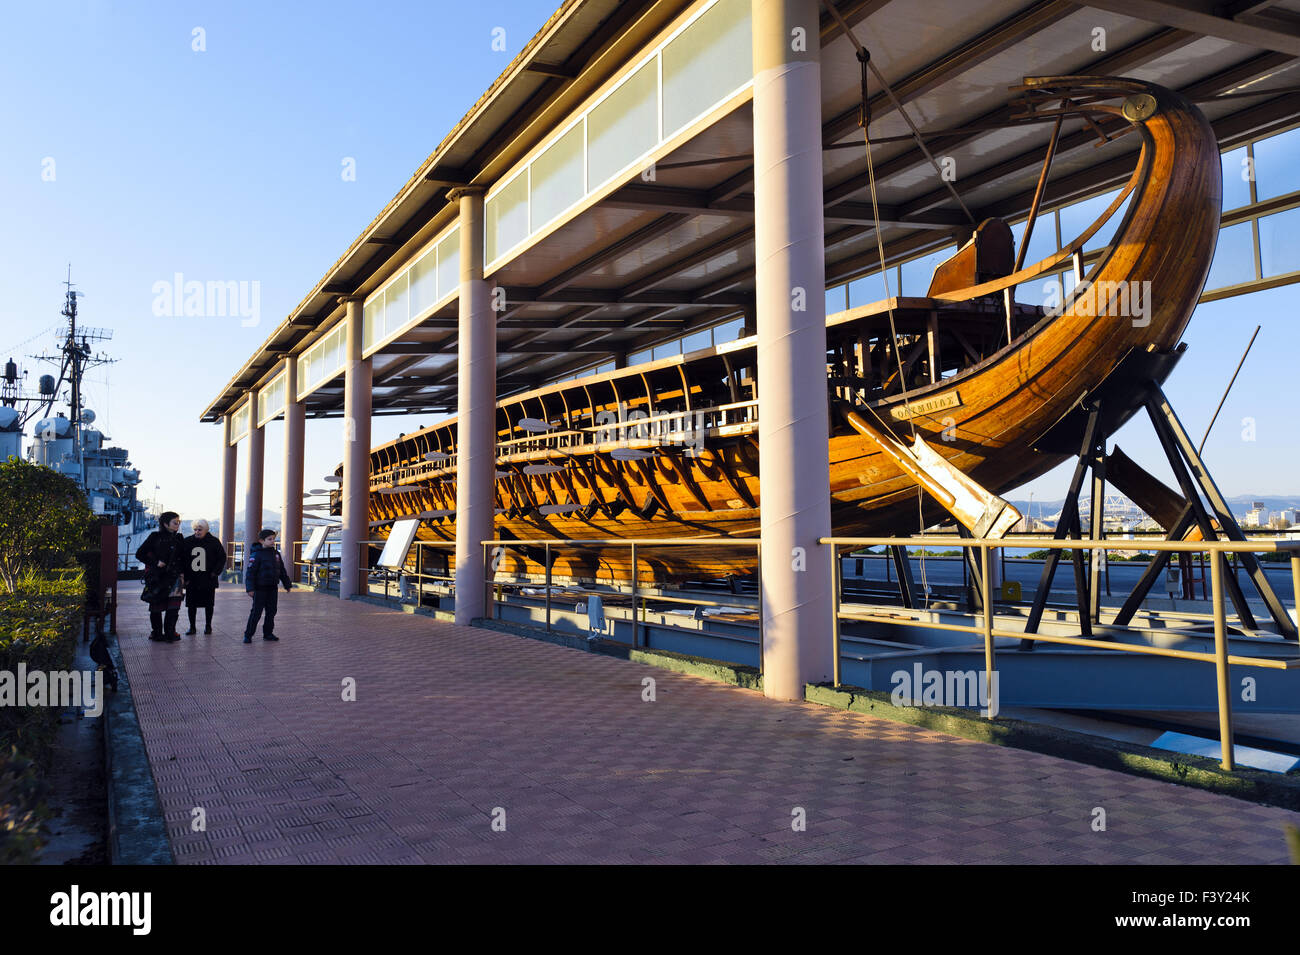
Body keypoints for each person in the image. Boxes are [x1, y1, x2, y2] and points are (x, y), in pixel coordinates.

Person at [136, 512, 186, 642]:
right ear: (165, 524)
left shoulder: (179, 538)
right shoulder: (154, 537)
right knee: (156, 606)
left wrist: (185, 575)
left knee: (174, 606)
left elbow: (185, 558)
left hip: (175, 577)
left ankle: (170, 632)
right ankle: (157, 632)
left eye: (178, 522)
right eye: (175, 522)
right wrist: (156, 562)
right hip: (157, 577)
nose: (177, 524)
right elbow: (140, 554)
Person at [244, 528, 293, 643]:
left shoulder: (276, 554)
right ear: (262, 541)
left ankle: (268, 633)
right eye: (269, 539)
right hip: (259, 589)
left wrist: (287, 584)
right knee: (256, 613)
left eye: (273, 539)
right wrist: (250, 588)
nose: (272, 541)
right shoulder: (256, 555)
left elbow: (281, 570)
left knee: (271, 612)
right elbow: (250, 573)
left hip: (272, 589)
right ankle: (248, 634)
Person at [182, 519, 227, 634]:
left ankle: (208, 626)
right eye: (195, 529)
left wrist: (215, 572)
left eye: (200, 530)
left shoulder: (214, 542)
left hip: (208, 579)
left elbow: (222, 558)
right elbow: (182, 560)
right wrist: (185, 577)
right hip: (192, 579)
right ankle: (192, 627)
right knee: (191, 604)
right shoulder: (187, 541)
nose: (197, 532)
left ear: (206, 530)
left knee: (209, 604)